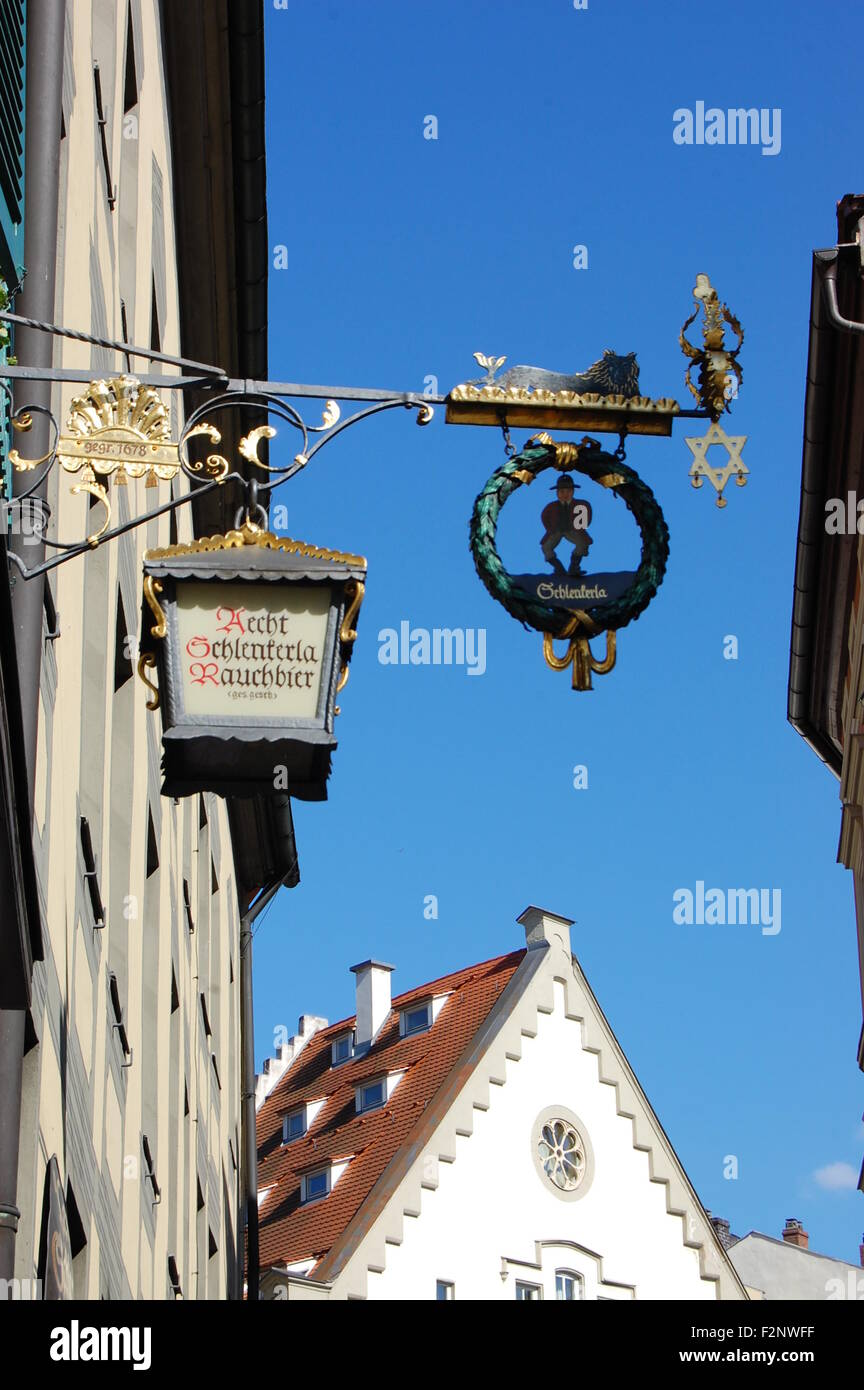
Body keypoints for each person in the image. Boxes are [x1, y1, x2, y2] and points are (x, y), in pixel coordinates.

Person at [539, 474, 592, 575]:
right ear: (557, 492)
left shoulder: (581, 505)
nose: (565, 494)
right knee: (546, 547)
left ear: (573, 491)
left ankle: (574, 567)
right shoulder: (551, 507)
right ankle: (559, 568)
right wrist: (550, 529)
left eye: (568, 491)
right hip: (556, 531)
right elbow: (544, 517)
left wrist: (579, 528)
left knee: (582, 544)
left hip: (572, 530)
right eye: (562, 491)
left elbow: (586, 517)